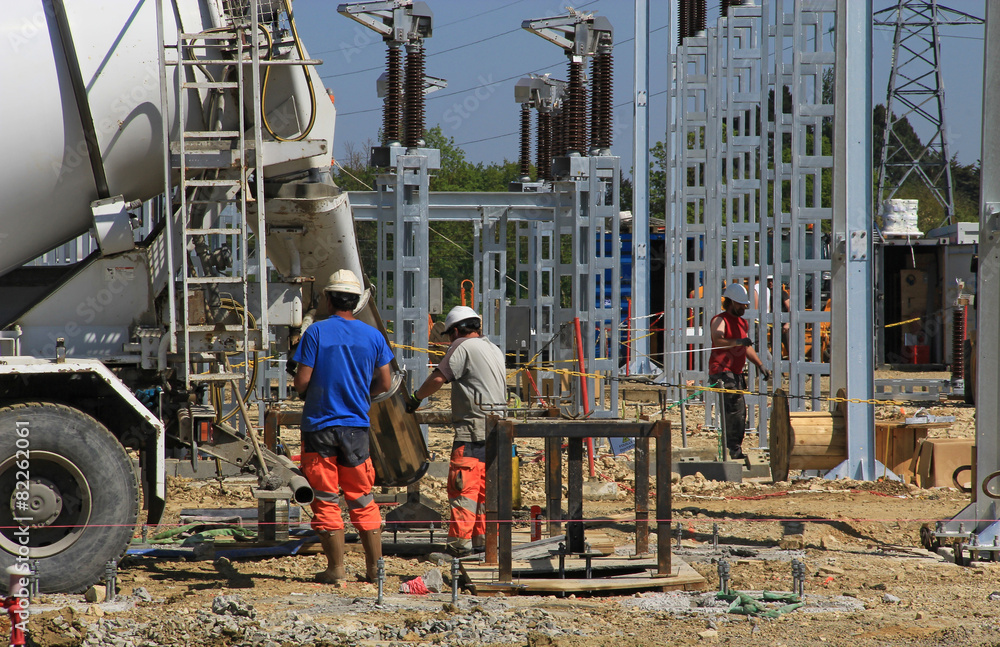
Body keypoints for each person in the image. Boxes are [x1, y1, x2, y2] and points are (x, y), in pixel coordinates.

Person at [293, 269, 393, 585]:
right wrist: (361, 393)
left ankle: (336, 570)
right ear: (356, 302)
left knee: (325, 499)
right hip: (356, 429)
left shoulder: (317, 333)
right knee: (362, 498)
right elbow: (385, 382)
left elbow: (302, 382)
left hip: (319, 427)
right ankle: (375, 571)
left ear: (327, 298)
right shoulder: (374, 336)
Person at [405, 305, 506, 556]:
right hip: (498, 434)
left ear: (457, 330)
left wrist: (416, 398)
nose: (450, 339)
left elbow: (438, 378)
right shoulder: (493, 348)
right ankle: (483, 544)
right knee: (485, 491)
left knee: (463, 489)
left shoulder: (462, 347)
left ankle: (459, 547)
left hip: (472, 434)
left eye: (450, 334)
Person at [709, 283, 771, 461]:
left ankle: (733, 448)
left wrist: (760, 364)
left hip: (735, 373)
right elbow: (718, 339)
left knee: (739, 412)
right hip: (721, 371)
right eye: (741, 304)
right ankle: (733, 450)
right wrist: (738, 341)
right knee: (735, 410)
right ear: (731, 302)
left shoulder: (742, 323)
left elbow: (746, 348)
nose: (744, 307)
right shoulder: (720, 320)